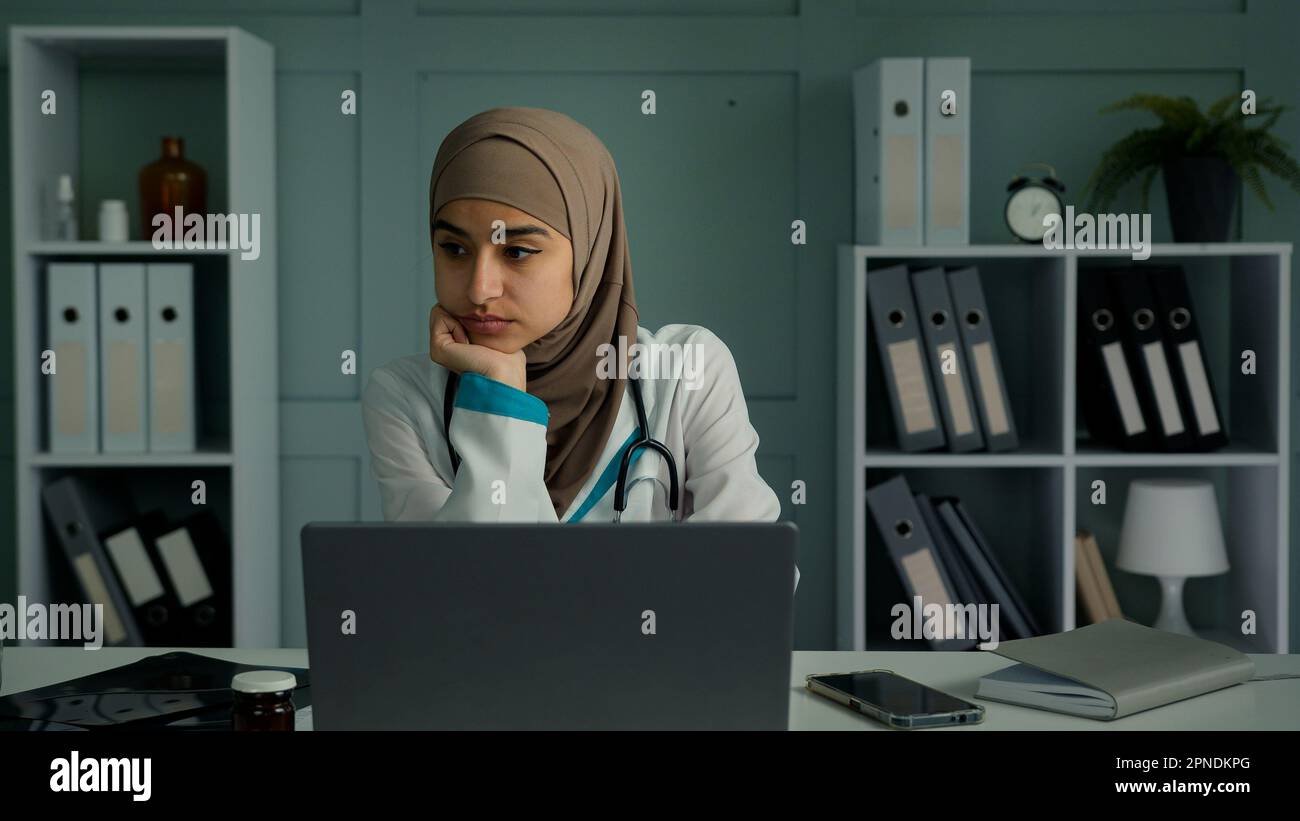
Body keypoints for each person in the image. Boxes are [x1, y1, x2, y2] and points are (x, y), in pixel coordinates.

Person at [361, 107, 794, 586]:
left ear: (591, 250)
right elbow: (449, 593)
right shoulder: (403, 396)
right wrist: (502, 399)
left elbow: (752, 582)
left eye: (517, 252)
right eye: (455, 249)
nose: (480, 288)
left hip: (657, 664)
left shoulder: (688, 370)